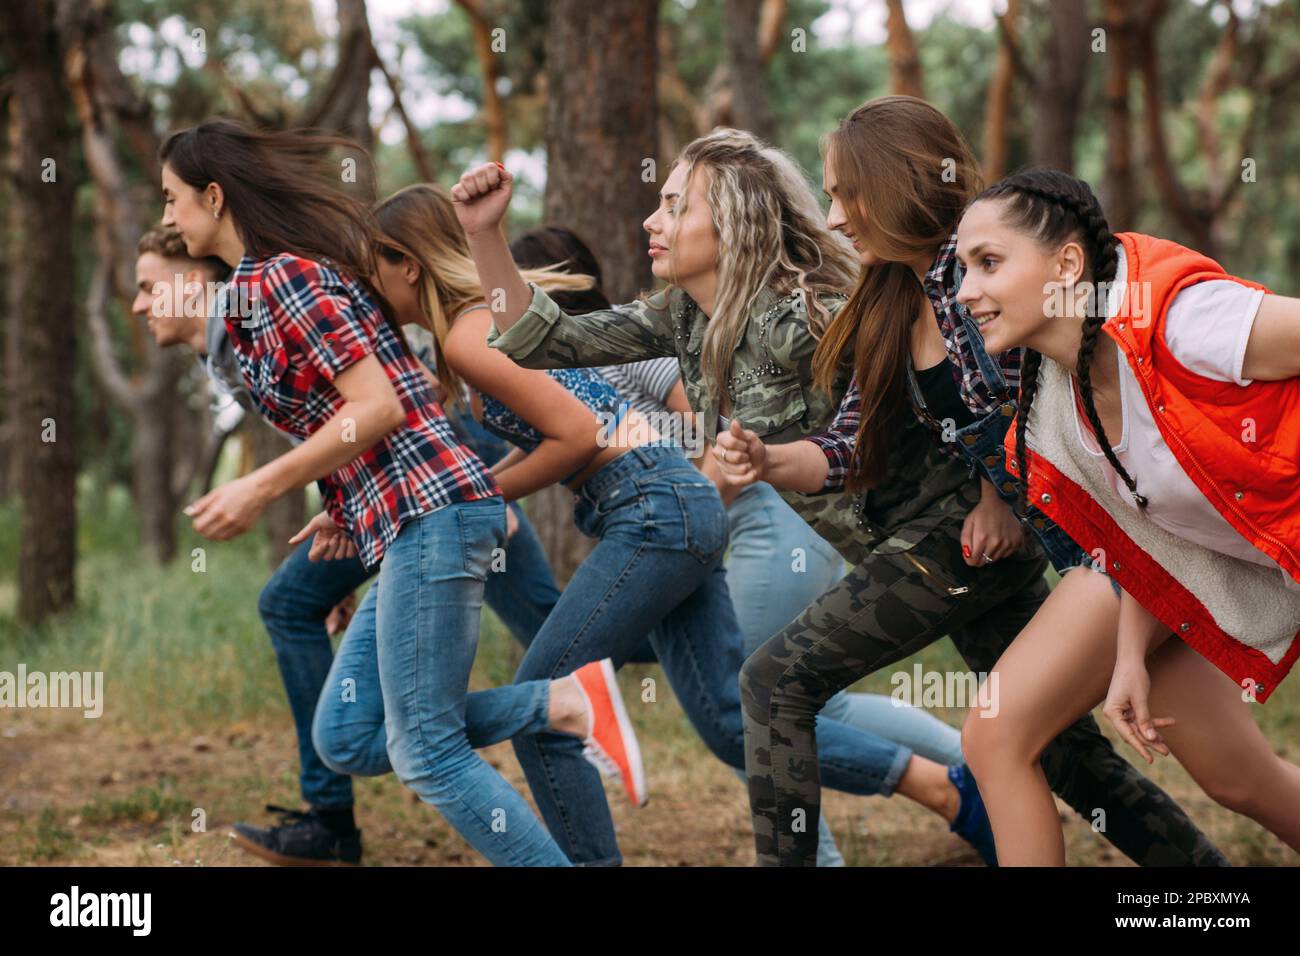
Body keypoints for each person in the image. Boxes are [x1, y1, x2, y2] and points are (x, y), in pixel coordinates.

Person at [707, 99, 1226, 866]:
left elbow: (1050, 386)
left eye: (845, 193)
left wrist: (995, 497)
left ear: (893, 184)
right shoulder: (892, 295)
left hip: (983, 542)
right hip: (1008, 547)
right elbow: (849, 446)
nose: (834, 217)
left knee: (775, 681)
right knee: (1066, 758)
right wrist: (768, 458)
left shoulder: (976, 272)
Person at [159, 118, 639, 866]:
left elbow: (378, 406)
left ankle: (567, 717)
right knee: (347, 736)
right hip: (404, 520)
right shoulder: (262, 290)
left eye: (172, 199)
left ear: (214, 198)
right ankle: (564, 703)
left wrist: (262, 483)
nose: (167, 217)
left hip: (434, 514)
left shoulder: (285, 276)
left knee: (428, 755)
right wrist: (344, 513)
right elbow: (381, 407)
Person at [510, 225, 968, 868]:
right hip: (717, 529)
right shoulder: (561, 371)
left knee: (763, 704)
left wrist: (683, 519)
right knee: (805, 701)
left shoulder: (634, 354)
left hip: (764, 517)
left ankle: (855, 839)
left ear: (551, 286)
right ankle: (973, 776)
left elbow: (727, 437)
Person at [950, 167, 1300, 864]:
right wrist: (1132, 654)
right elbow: (1151, 539)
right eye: (963, 269)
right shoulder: (1057, 419)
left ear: (1067, 264)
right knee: (1231, 775)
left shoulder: (1182, 320)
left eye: (989, 263)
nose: (966, 292)